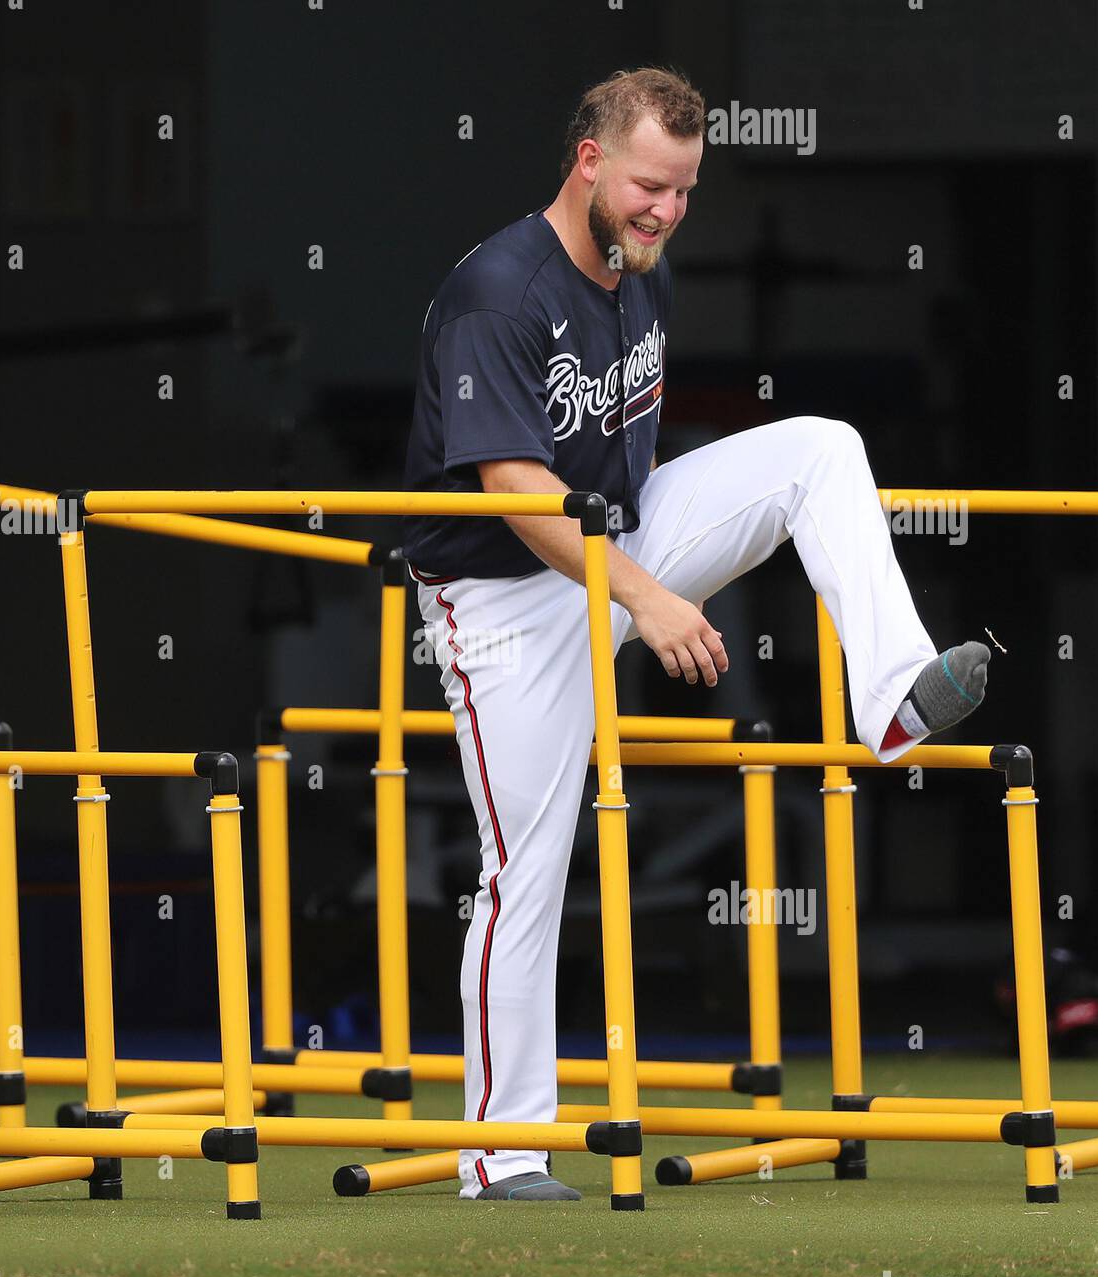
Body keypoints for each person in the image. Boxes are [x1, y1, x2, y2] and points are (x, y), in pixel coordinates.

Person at [401, 66, 989, 1201]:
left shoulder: (639, 277)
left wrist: (649, 576)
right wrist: (651, 599)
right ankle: (500, 1152)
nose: (665, 210)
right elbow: (520, 492)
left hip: (617, 540)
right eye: (647, 186)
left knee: (822, 447)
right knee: (526, 867)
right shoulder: (497, 288)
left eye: (683, 191)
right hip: (504, 596)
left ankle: (891, 699)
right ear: (587, 162)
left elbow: (622, 474)